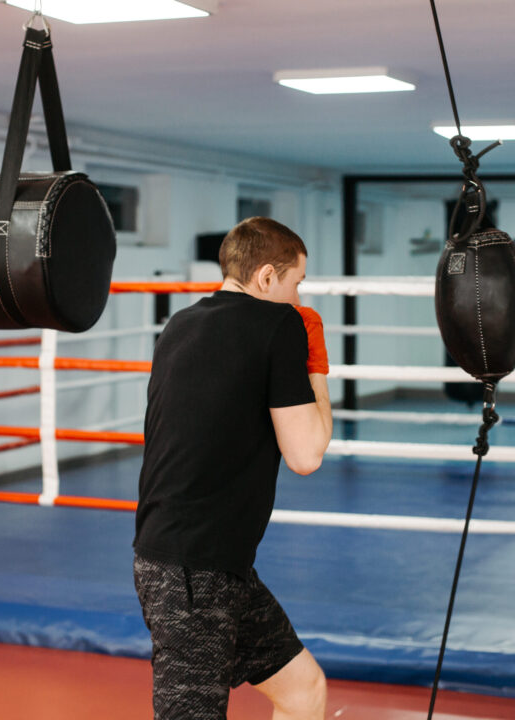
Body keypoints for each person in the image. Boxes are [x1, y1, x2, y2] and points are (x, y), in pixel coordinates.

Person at [133, 216, 333, 720]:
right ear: (267, 277)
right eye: (296, 283)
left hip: (206, 563)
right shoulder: (279, 323)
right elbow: (306, 455)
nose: (297, 296)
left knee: (302, 688)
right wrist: (317, 368)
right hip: (195, 574)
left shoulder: (180, 323)